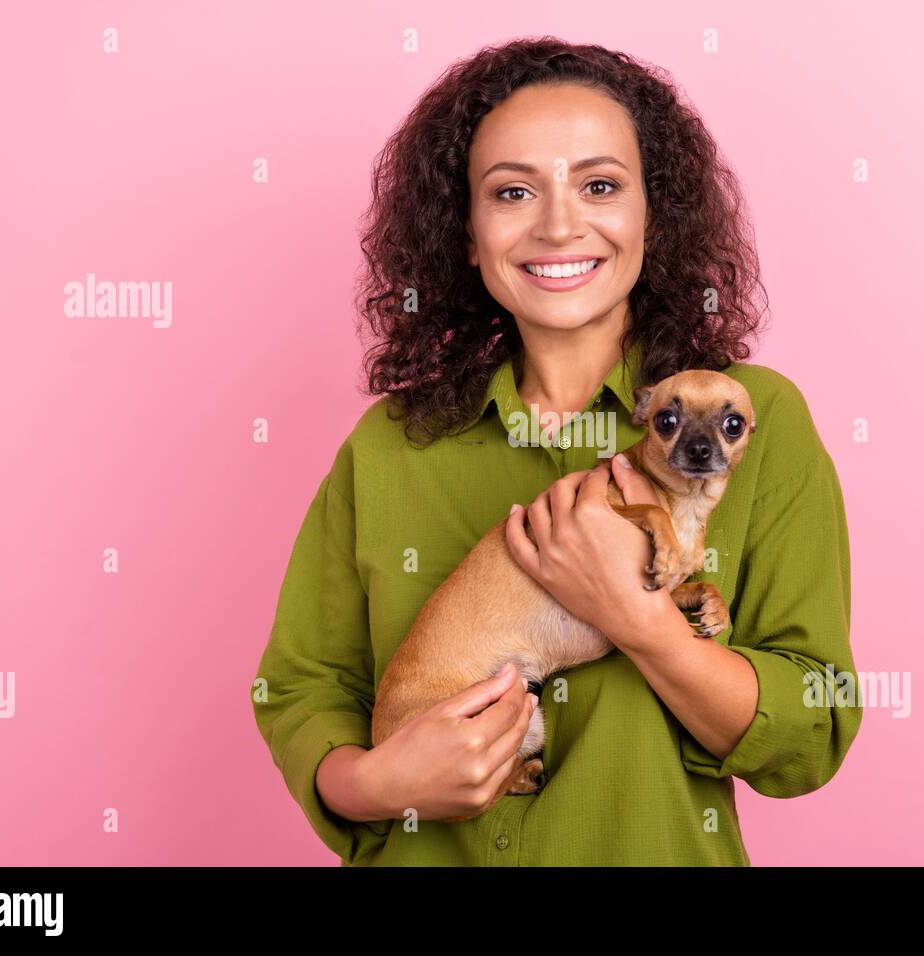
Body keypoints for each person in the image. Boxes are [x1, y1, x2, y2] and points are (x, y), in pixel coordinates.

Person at [252, 37, 862, 866]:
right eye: (512, 191)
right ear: (465, 233)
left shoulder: (760, 420)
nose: (560, 224)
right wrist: (379, 784)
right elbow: (300, 690)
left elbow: (811, 727)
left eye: (601, 185)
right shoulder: (390, 448)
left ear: (656, 214)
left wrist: (637, 619)